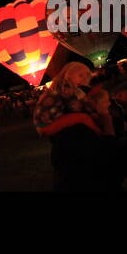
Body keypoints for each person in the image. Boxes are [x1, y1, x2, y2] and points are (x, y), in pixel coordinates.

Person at [32, 62, 106, 191]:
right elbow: (78, 108)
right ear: (68, 75)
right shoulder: (65, 88)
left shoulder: (63, 88)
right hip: (53, 130)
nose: (84, 79)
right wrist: (96, 123)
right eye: (80, 75)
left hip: (55, 135)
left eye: (86, 76)